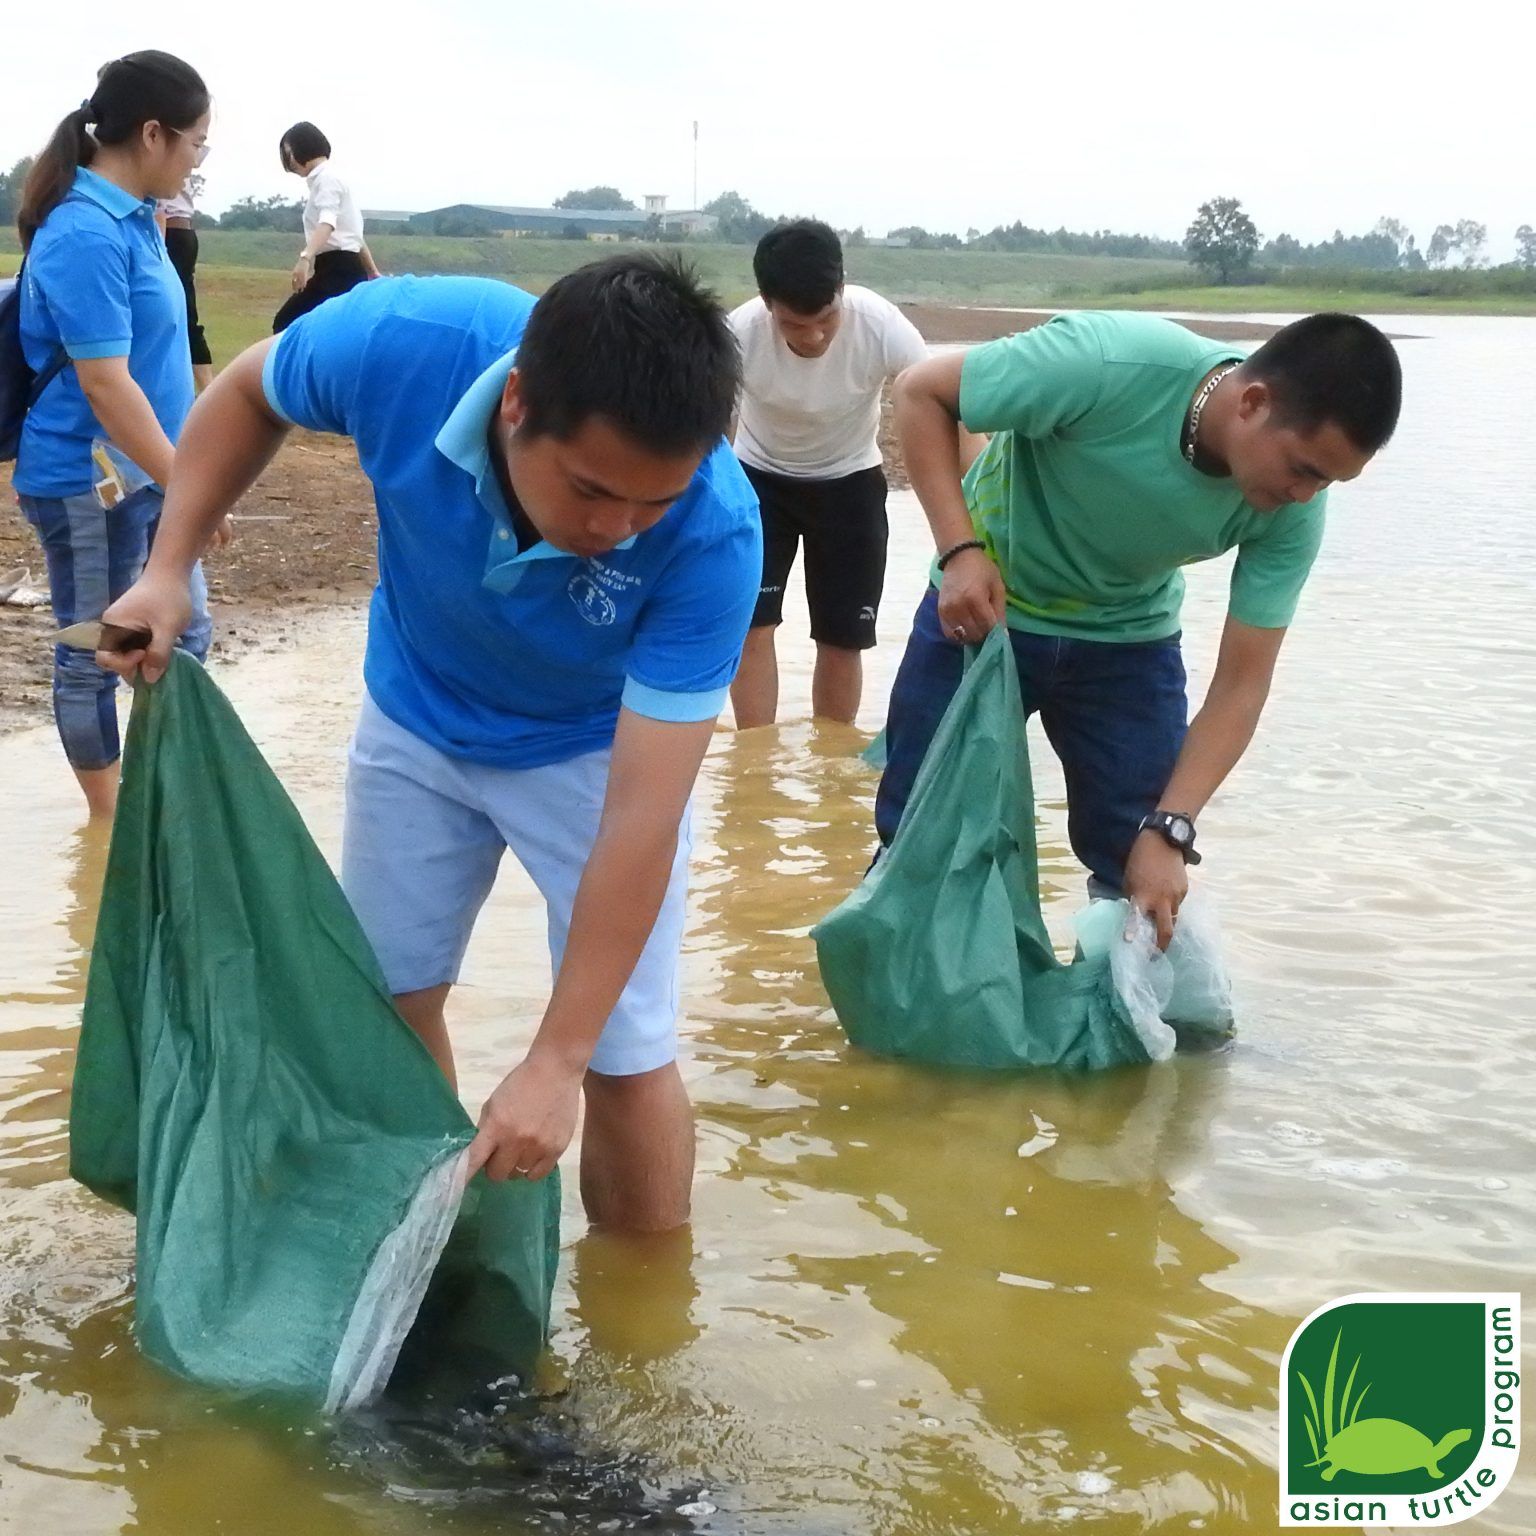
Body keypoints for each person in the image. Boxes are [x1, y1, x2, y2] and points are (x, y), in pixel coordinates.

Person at [98, 255, 759, 1234]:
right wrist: (167, 569)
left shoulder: (714, 536)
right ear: (518, 403)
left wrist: (554, 1061)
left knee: (622, 1055)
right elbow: (247, 388)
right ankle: (432, 1258)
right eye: (590, 490)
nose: (618, 529)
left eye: (650, 503)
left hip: (587, 749)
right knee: (391, 1011)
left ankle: (646, 1330)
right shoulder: (406, 343)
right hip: (417, 710)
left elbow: (642, 818)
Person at [878, 311, 1402, 947]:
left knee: (1144, 870)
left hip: (1128, 642)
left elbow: (1241, 686)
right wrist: (959, 551)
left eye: (1328, 483)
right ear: (1254, 403)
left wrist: (1172, 825)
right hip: (985, 608)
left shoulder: (1295, 513)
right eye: (1305, 469)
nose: (1305, 495)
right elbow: (920, 391)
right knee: (921, 831)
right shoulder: (1105, 362)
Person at [13, 51, 228, 819]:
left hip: (145, 474)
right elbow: (107, 386)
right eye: (197, 141)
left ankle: (152, 797)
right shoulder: (84, 235)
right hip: (88, 480)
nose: (199, 159)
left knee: (185, 632)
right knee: (94, 655)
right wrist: (189, 484)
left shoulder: (139, 223)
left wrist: (186, 478)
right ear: (152, 133)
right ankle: (109, 828)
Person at [727, 219, 928, 727]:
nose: (815, 336)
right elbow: (701, 432)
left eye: (827, 318)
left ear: (841, 288)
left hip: (850, 485)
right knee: (751, 627)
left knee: (843, 636)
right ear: (767, 303)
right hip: (758, 481)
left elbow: (944, 407)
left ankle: (831, 760)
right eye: (795, 325)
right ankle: (756, 761)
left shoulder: (880, 324)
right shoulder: (739, 335)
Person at [272, 122, 379, 333]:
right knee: (326, 330)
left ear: (299, 148)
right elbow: (355, 235)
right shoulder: (330, 178)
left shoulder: (326, 180)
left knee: (286, 323)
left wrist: (305, 258)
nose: (289, 161)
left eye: (288, 153)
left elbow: (327, 223)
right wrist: (372, 272)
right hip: (344, 267)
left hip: (337, 269)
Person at [156, 176, 212, 390]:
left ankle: (207, 390)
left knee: (180, 315)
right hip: (182, 234)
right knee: (185, 314)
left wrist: (158, 253)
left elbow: (158, 207)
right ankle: (206, 388)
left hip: (171, 233)